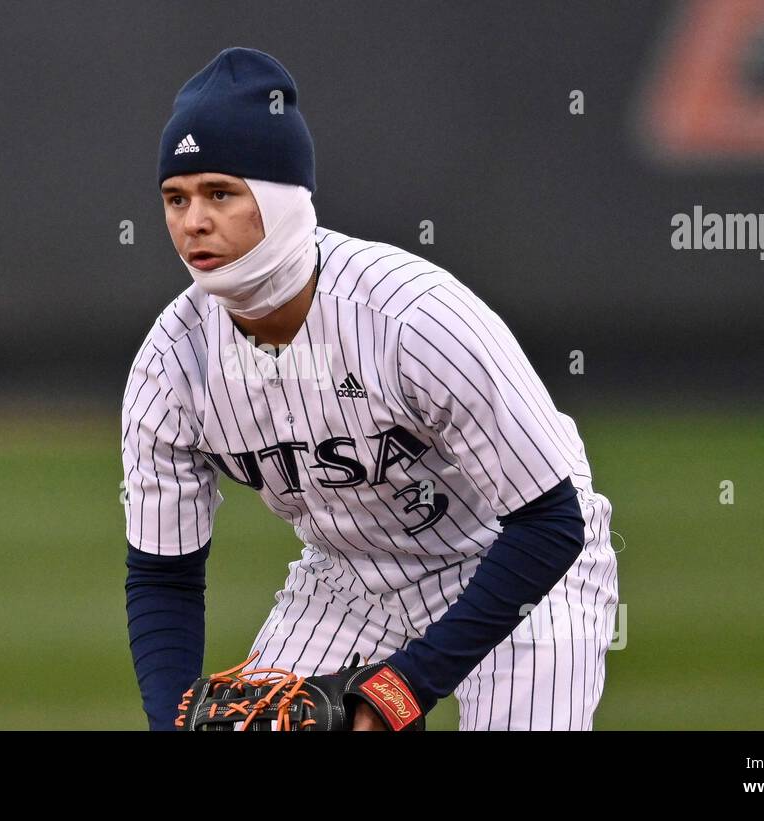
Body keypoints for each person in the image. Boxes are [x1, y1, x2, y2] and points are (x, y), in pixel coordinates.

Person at [122, 47, 619, 731]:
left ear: (281, 197)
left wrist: (401, 688)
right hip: (348, 580)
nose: (192, 221)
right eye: (175, 198)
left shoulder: (411, 317)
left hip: (514, 563)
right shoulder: (172, 364)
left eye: (220, 192)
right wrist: (170, 721)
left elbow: (549, 519)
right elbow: (163, 574)